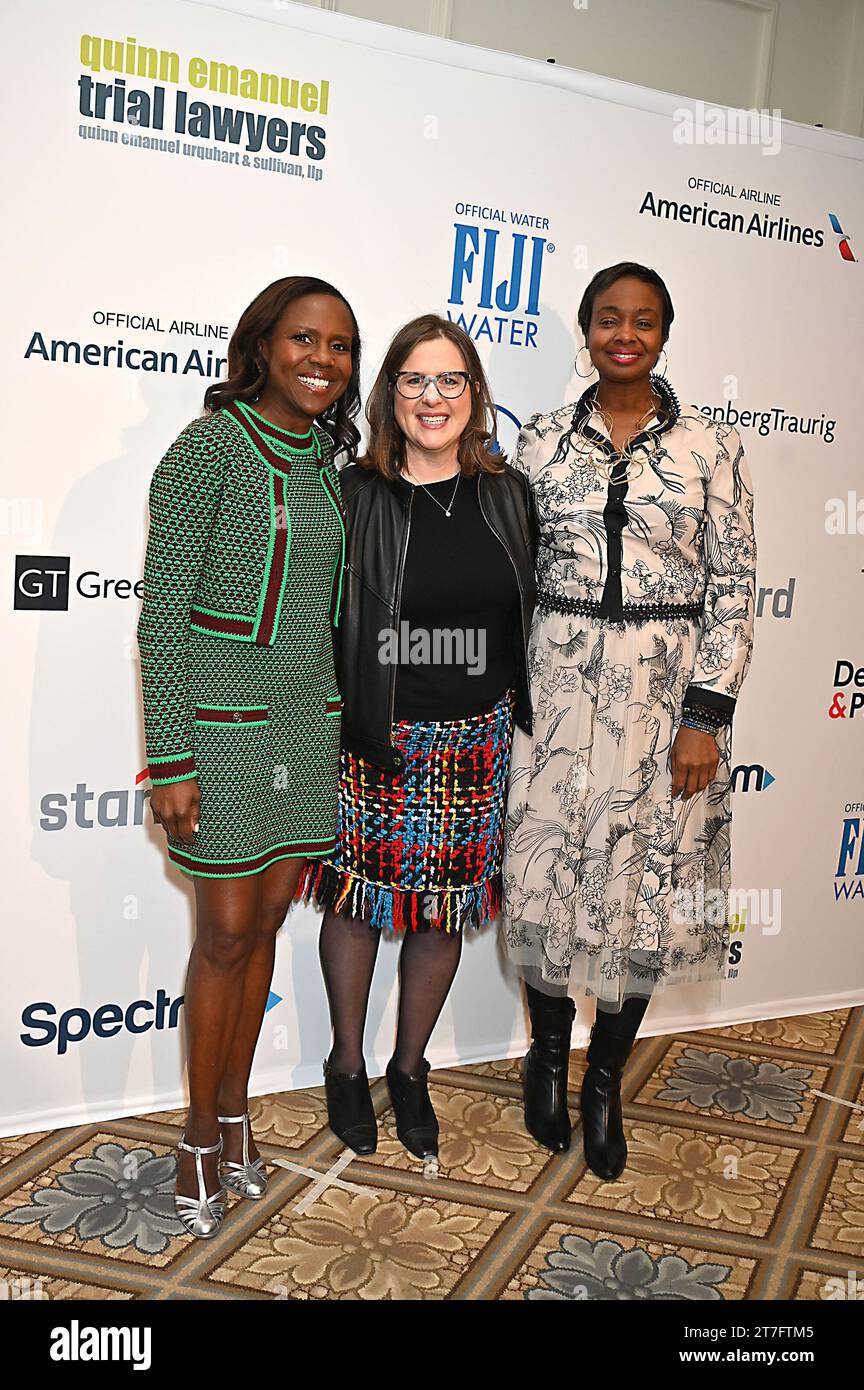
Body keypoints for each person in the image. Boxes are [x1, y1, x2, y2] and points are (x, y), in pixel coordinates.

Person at [503, 262, 756, 1180]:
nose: (625, 334)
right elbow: (506, 570)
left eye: (643, 321)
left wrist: (706, 716)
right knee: (545, 874)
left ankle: (603, 1079)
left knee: (646, 887)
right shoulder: (538, 444)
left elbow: (733, 589)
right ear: (585, 329)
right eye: (609, 318)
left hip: (664, 705)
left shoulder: (709, 449)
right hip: (556, 697)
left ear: (663, 335)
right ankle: (546, 1052)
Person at [136, 276, 361, 1236]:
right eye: (305, 340)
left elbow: (325, 617)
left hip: (304, 727)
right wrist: (171, 756)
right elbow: (161, 612)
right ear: (264, 345)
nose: (323, 361)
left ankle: (235, 1114)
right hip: (220, 732)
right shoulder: (209, 448)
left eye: (342, 347)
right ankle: (195, 1135)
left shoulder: (328, 465)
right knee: (223, 937)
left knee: (267, 927)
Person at [296, 314, 536, 1162]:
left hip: (476, 738)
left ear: (474, 397)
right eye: (414, 381)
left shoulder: (508, 493)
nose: (432, 398)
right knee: (358, 903)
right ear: (387, 394)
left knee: (442, 916)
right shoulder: (352, 493)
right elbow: (318, 623)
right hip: (379, 734)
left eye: (450, 382)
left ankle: (409, 1069)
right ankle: (346, 1065)